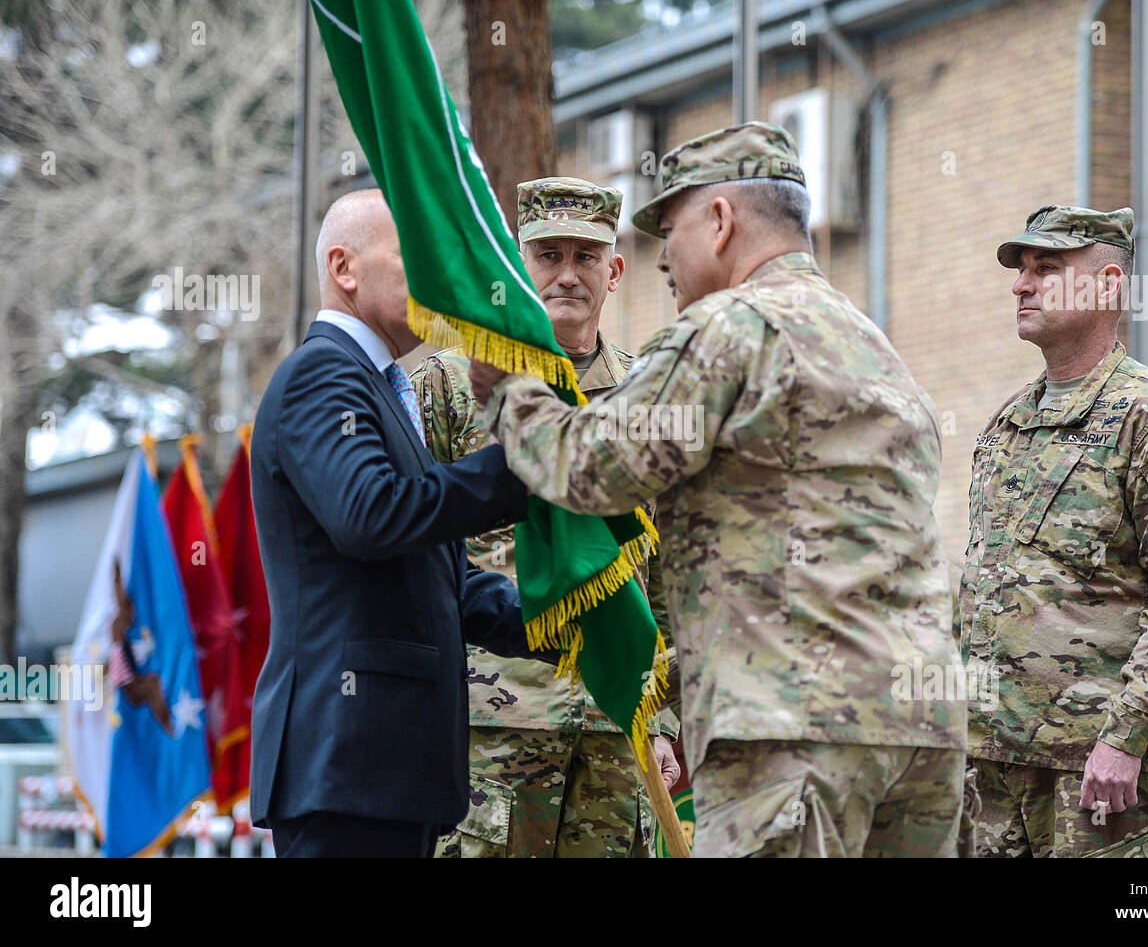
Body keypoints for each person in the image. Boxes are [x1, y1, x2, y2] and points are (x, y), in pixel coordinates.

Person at [468, 122, 966, 858]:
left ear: (722, 220)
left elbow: (592, 468)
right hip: (920, 730)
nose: (662, 257)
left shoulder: (731, 327)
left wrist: (509, 392)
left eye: (669, 229)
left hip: (789, 727)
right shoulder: (874, 346)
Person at [249, 189, 546, 857]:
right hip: (347, 765)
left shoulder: (380, 386)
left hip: (385, 773)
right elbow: (369, 514)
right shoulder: (322, 374)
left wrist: (557, 620)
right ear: (344, 268)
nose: (436, 276)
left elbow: (445, 581)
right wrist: (518, 468)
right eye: (412, 254)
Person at [409, 177, 680, 858]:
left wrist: (668, 713)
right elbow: (405, 542)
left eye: (586, 256)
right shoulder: (450, 385)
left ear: (614, 271)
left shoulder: (647, 395)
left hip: (615, 732)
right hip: (488, 733)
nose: (567, 274)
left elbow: (673, 567)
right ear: (516, 262)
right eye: (548, 254)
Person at [959, 204, 1148, 857]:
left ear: (1107, 284)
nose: (1020, 285)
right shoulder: (1005, 427)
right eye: (1021, 270)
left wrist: (1126, 733)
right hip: (995, 775)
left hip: (1105, 781)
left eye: (1046, 269)